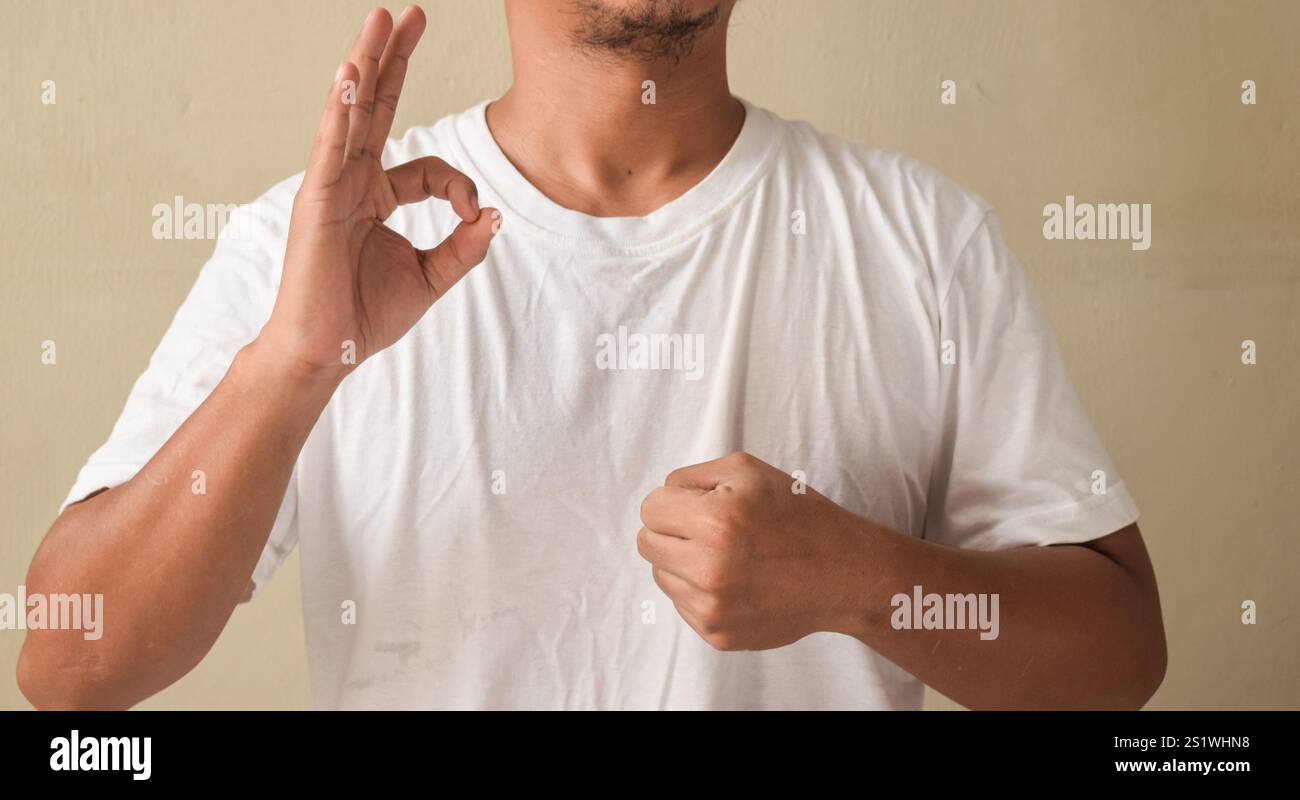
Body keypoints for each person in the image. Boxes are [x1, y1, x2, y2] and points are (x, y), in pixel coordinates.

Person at [18, 0, 1166, 710]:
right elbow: (70, 668)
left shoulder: (920, 238)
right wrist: (294, 360)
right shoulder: (312, 239)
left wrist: (859, 579)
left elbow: (1117, 658)